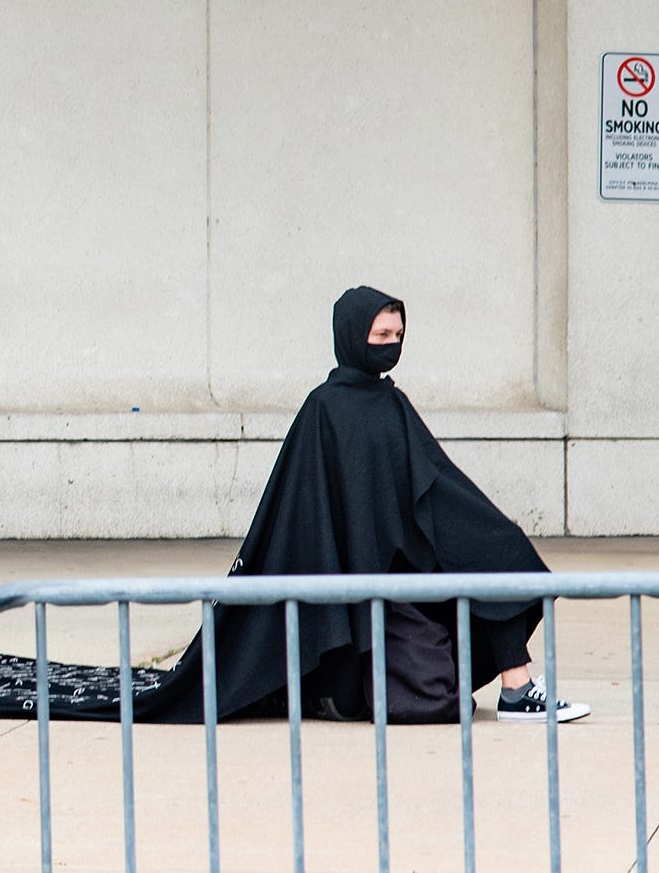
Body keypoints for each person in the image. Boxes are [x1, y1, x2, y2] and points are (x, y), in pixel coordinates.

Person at [142, 286, 588, 724]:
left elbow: (432, 482)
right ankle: (509, 687)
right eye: (381, 337)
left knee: (499, 550)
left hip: (397, 562)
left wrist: (477, 533)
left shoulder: (392, 403)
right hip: (350, 576)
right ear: (353, 336)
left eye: (397, 336)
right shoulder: (323, 409)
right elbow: (303, 507)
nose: (391, 346)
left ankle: (517, 688)